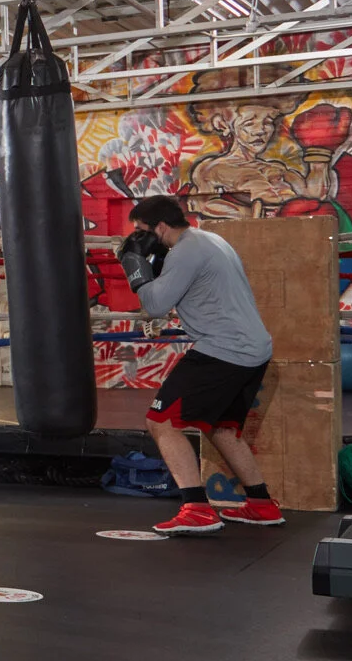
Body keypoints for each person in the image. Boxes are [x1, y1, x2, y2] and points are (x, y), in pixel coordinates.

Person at [119, 195, 283, 533]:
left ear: (159, 227)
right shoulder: (209, 239)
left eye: (141, 231)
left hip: (224, 349)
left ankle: (195, 507)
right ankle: (262, 504)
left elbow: (155, 305)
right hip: (253, 349)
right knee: (222, 427)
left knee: (161, 421)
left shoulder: (187, 251)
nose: (138, 237)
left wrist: (135, 266)